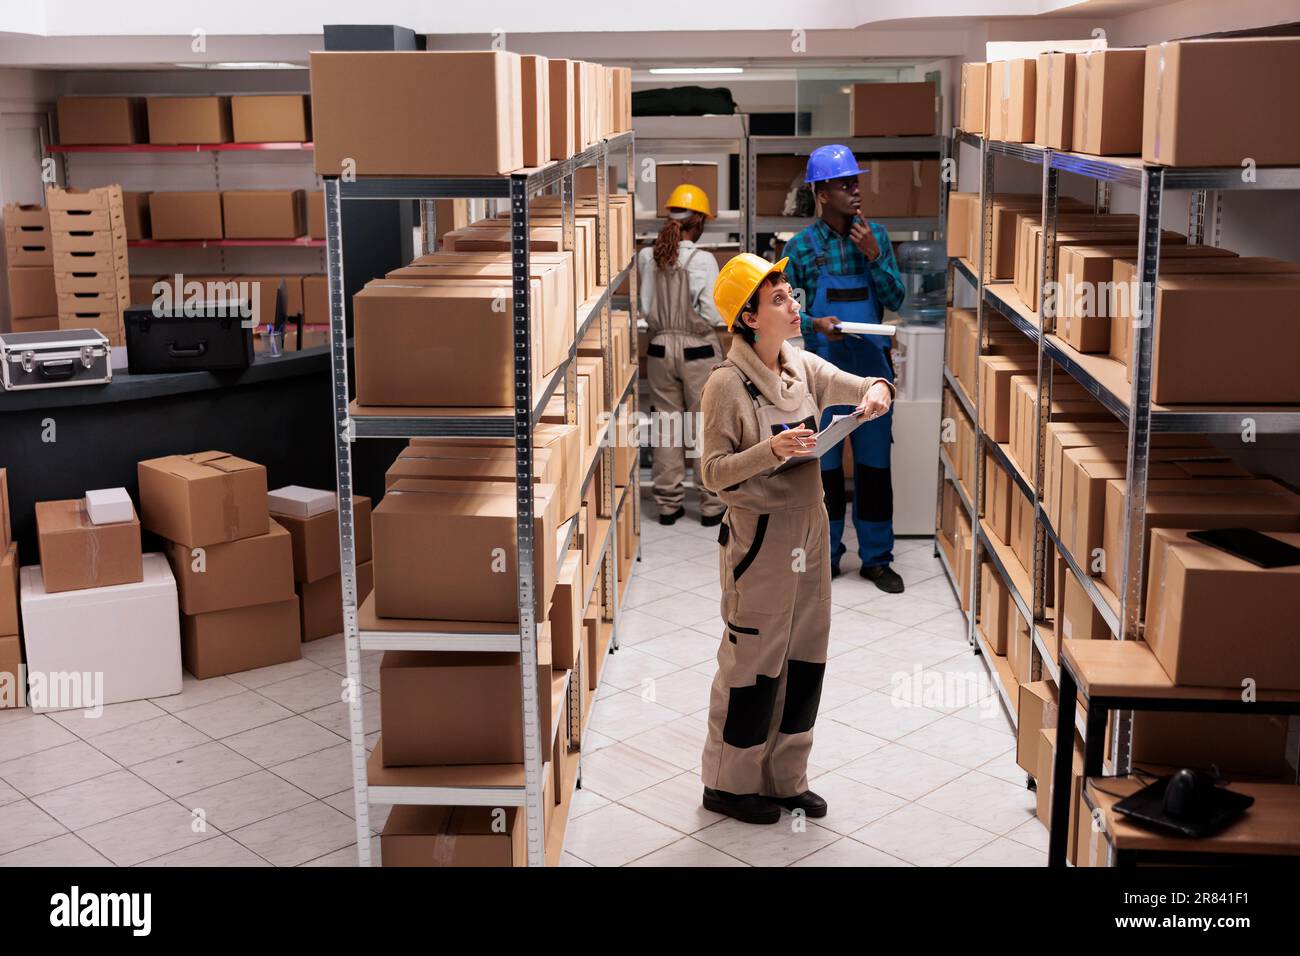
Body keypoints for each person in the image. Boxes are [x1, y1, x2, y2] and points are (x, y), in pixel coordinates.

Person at [697, 253, 893, 824]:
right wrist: (770, 451)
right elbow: (711, 473)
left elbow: (858, 382)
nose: (794, 304)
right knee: (753, 663)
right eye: (779, 297)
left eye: (791, 294)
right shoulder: (725, 386)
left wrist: (877, 388)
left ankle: (786, 777)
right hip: (759, 538)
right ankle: (729, 784)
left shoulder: (800, 366)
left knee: (805, 657)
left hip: (811, 523)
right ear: (750, 317)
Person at [782, 144, 908, 593]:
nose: (856, 190)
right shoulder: (799, 248)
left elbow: (895, 301)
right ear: (821, 192)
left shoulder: (877, 236)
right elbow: (788, 315)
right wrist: (816, 324)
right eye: (844, 184)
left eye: (857, 182)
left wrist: (875, 256)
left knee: (875, 470)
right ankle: (826, 557)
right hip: (824, 372)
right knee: (826, 470)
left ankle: (877, 558)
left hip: (871, 369)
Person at [636, 183, 726, 527]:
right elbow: (713, 314)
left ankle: (668, 505)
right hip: (698, 350)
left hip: (658, 349)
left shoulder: (648, 256)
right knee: (707, 427)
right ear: (699, 220)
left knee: (667, 427)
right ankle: (711, 506)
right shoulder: (703, 260)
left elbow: (645, 306)